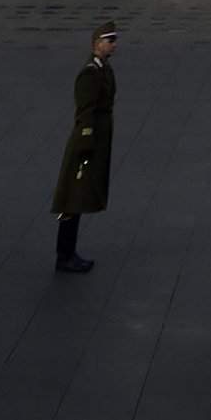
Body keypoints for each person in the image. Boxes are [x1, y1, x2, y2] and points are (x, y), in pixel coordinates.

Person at [51, 21, 119, 272]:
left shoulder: (103, 69)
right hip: (85, 144)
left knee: (76, 198)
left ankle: (68, 252)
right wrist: (87, 143)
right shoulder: (91, 73)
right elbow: (86, 111)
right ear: (97, 43)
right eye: (109, 41)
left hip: (95, 139)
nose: (114, 45)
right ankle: (65, 254)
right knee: (72, 199)